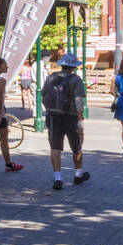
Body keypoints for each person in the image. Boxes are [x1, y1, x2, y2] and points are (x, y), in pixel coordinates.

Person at [42, 53, 88, 190]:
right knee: (77, 146)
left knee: (55, 148)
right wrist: (80, 120)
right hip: (71, 116)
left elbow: (44, 97)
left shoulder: (51, 77)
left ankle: (57, 178)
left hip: (53, 117)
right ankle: (78, 174)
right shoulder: (75, 80)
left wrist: (51, 109)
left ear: (62, 65)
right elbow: (79, 101)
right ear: (73, 67)